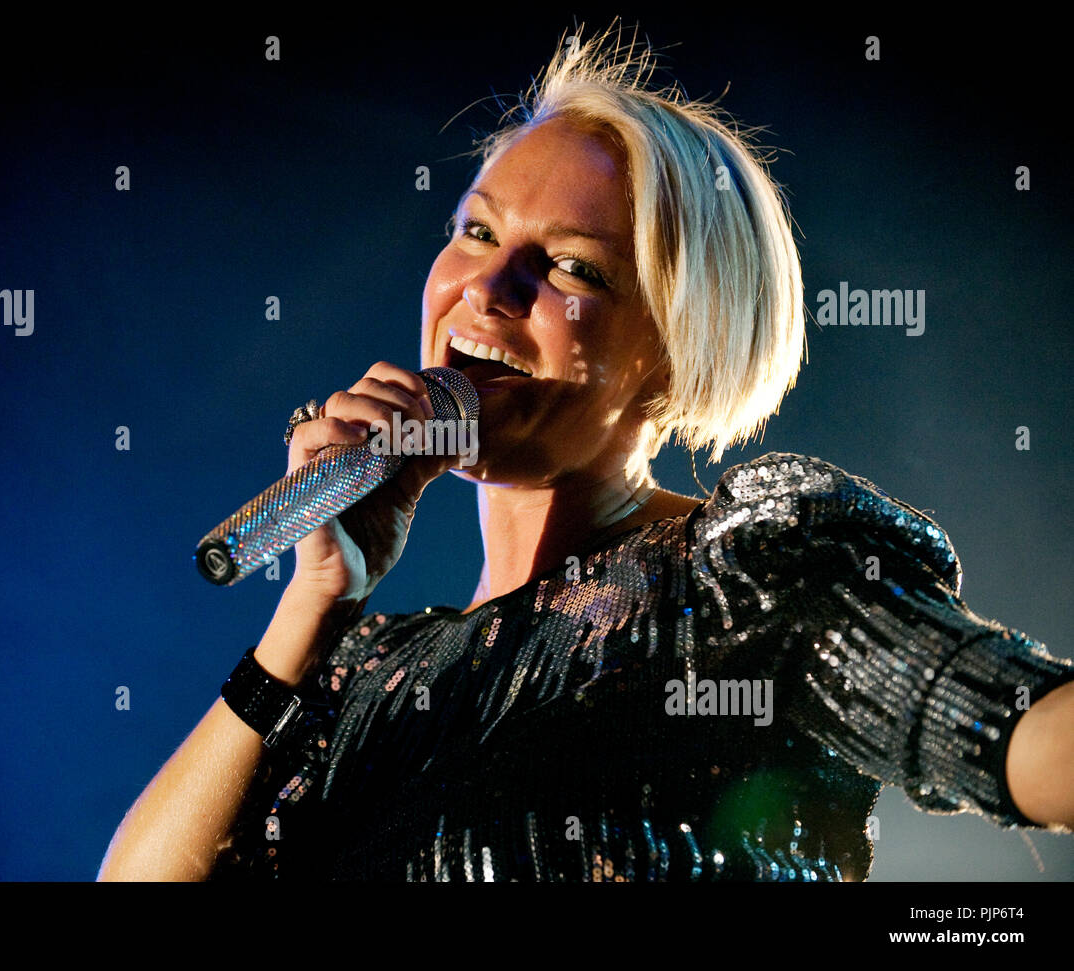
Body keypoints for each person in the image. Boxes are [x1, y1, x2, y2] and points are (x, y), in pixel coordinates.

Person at [97, 26, 1074, 882]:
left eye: (570, 265)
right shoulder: (358, 672)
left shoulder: (748, 569)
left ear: (675, 343)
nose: (487, 285)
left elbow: (1025, 732)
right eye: (477, 229)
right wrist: (310, 607)